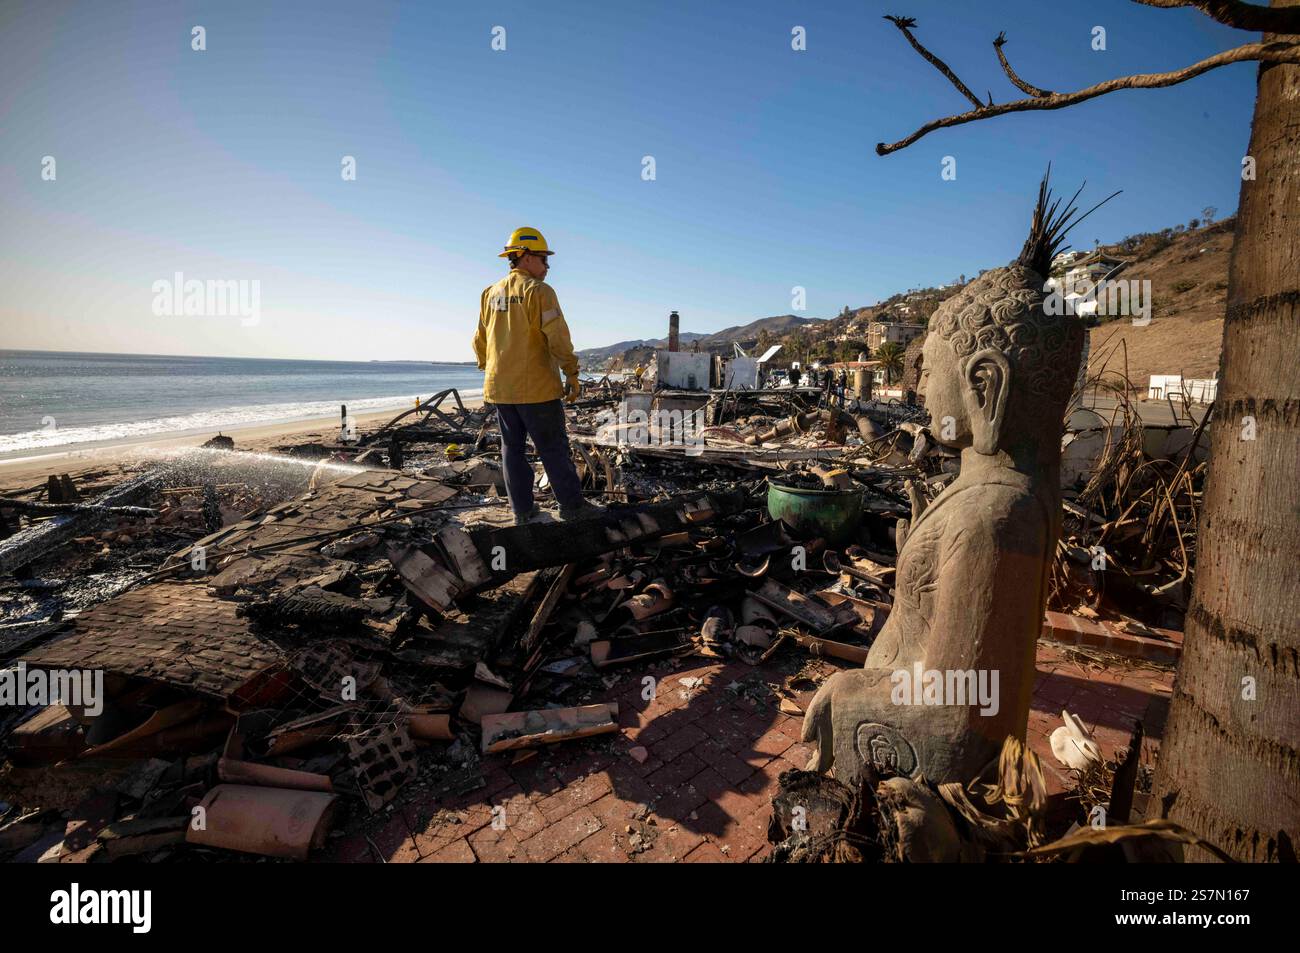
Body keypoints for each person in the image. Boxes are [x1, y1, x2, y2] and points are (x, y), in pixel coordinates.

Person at [474, 227, 600, 525]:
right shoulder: (539, 292)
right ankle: (572, 508)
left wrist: (491, 370)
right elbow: (557, 337)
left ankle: (522, 512)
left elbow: (480, 340)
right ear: (527, 257)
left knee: (512, 450)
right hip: (537, 389)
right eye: (544, 259)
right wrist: (572, 372)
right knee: (553, 448)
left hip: (500, 389)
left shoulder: (490, 293)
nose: (547, 267)